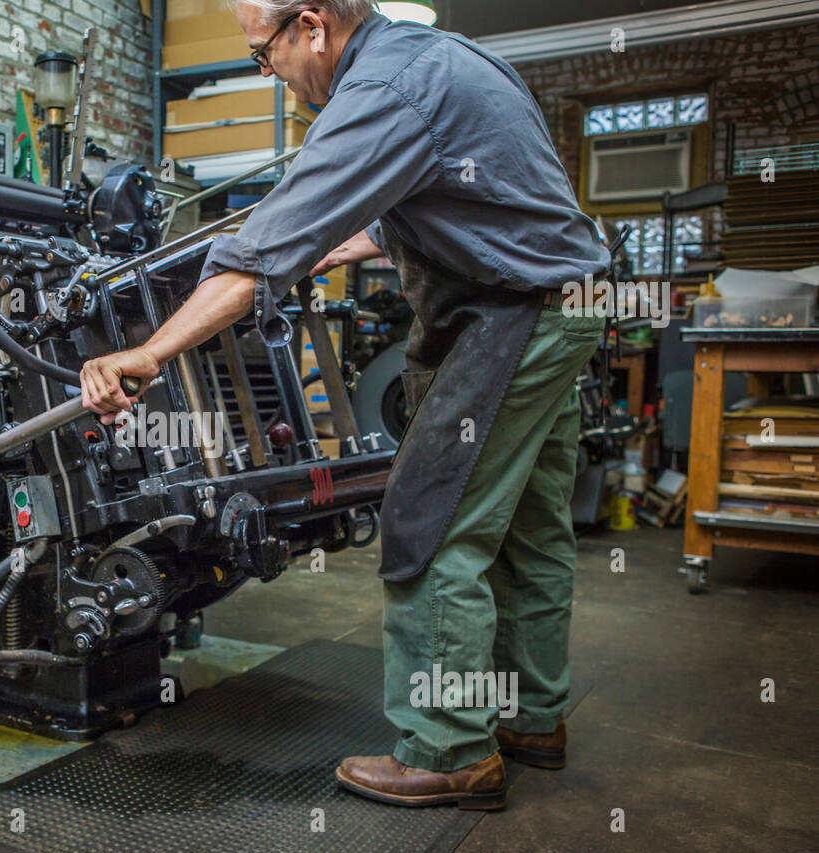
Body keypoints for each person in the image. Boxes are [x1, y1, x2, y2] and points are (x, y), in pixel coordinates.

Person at [80, 0, 610, 810]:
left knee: (433, 522)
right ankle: (532, 716)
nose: (273, 75)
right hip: (565, 306)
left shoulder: (383, 89)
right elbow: (476, 190)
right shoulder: (444, 59)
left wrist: (149, 351)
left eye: (264, 55)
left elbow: (254, 260)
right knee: (532, 533)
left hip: (512, 319)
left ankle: (447, 746)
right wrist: (360, 239)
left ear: (314, 26)